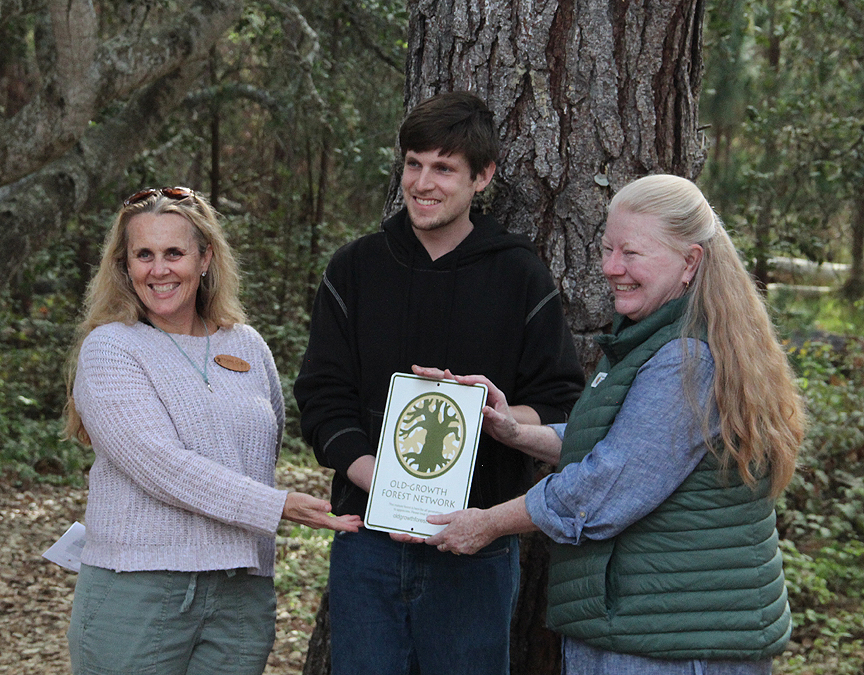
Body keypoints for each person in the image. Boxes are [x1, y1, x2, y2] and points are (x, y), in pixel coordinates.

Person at [420, 174, 806, 674]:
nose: (611, 267)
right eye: (606, 249)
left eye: (631, 253)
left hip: (670, 644)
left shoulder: (687, 359)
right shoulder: (659, 335)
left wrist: (487, 524)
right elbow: (627, 447)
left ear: (690, 262)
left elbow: (605, 486)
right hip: (652, 630)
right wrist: (513, 431)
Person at [293, 91, 585, 675]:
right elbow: (322, 396)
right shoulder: (354, 269)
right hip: (367, 544)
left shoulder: (519, 276)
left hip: (474, 546)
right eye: (413, 163)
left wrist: (504, 419)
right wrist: (378, 479)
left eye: (444, 168)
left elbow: (559, 404)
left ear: (482, 177)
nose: (423, 182)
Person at [63, 186, 362, 675]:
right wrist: (277, 505)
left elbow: (263, 448)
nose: (159, 270)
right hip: (139, 589)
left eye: (174, 253)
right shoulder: (110, 348)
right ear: (125, 266)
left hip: (240, 593)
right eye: (144, 255)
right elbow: (157, 463)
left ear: (204, 258)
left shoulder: (245, 344)